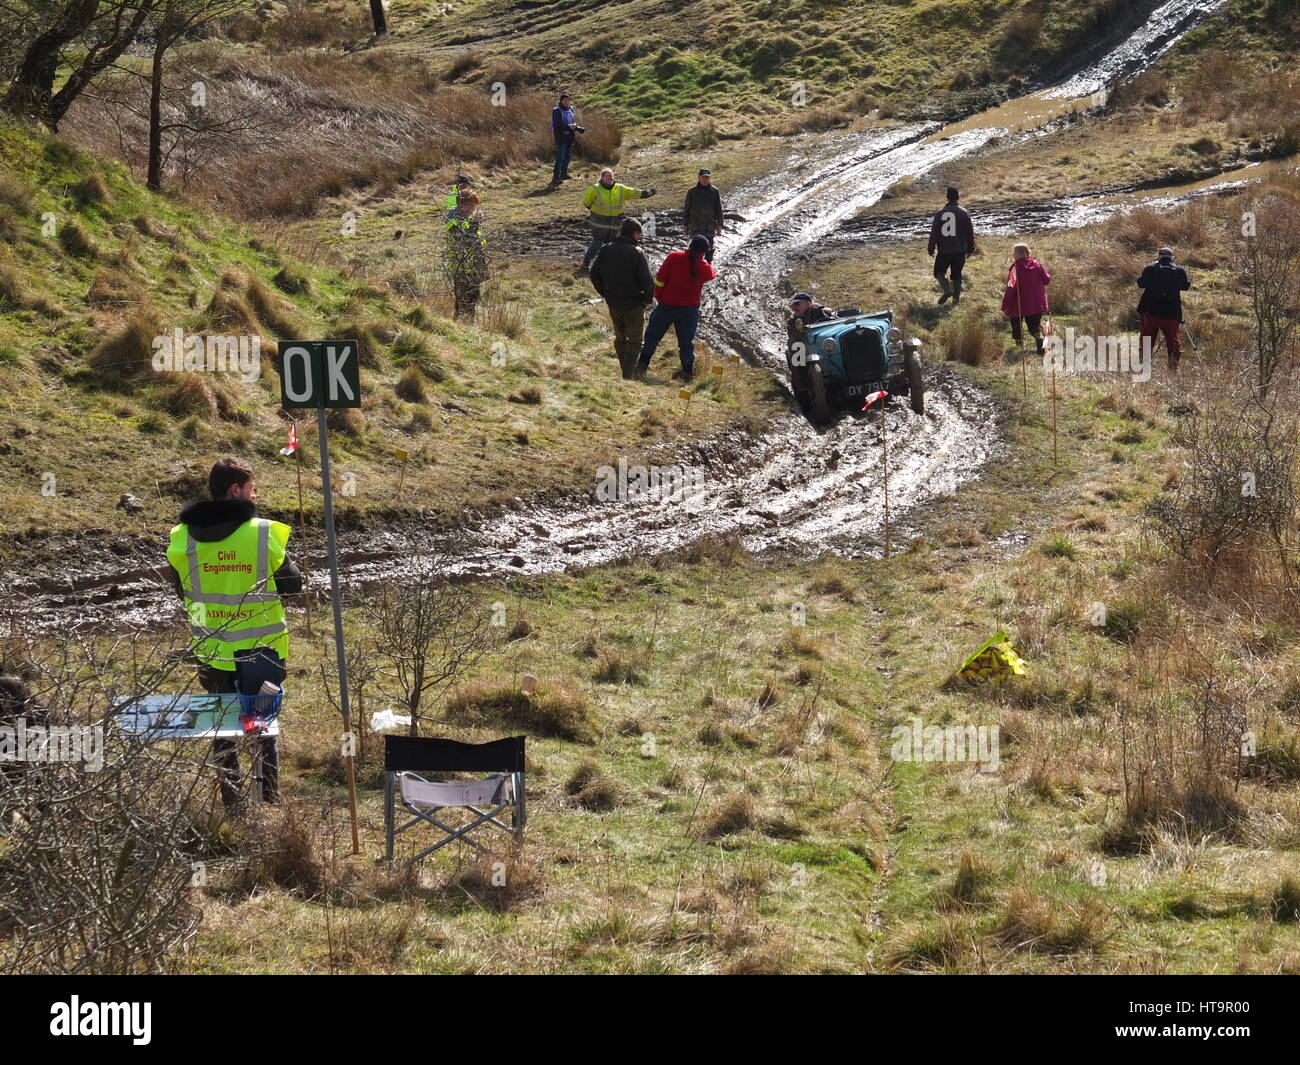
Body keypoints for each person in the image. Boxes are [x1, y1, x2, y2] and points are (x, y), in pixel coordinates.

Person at [166, 459, 301, 807]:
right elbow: (292, 584)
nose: (255, 495)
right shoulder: (261, 532)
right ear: (235, 490)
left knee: (221, 726)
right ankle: (268, 801)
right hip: (263, 648)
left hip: (211, 649)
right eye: (252, 488)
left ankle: (232, 801)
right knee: (261, 724)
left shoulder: (182, 538)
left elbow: (181, 590)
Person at [635, 234, 717, 381]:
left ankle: (641, 367)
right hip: (689, 311)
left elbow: (660, 279)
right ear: (704, 252)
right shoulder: (704, 267)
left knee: (652, 336)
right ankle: (687, 374)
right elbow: (712, 274)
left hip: (667, 305)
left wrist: (660, 297)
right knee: (686, 343)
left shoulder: (674, 257)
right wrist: (707, 260)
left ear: (690, 245)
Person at [590, 217, 655, 379]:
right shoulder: (637, 253)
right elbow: (647, 282)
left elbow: (593, 273)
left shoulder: (606, 249)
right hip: (633, 304)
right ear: (635, 233)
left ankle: (626, 371)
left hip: (613, 302)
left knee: (620, 339)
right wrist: (647, 300)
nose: (640, 238)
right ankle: (627, 376)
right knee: (635, 341)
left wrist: (604, 293)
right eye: (640, 234)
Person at [579, 168, 656, 274]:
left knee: (610, 246)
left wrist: (649, 193)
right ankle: (585, 264)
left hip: (614, 225)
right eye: (608, 176)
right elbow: (586, 202)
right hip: (599, 224)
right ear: (602, 177)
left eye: (612, 176)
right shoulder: (594, 189)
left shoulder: (620, 189)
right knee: (596, 243)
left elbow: (634, 193)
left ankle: (606, 267)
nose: (611, 178)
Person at [1137, 246, 1191, 370]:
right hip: (1171, 313)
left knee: (1146, 340)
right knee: (1172, 342)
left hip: (1150, 312)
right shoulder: (1179, 270)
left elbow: (1141, 284)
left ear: (1159, 257)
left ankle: (1144, 368)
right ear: (1172, 257)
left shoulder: (1150, 269)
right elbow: (1186, 286)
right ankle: (1172, 370)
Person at [928, 186, 977, 305]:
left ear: (947, 197)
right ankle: (956, 300)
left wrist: (931, 247)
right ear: (958, 197)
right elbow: (970, 232)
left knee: (938, 272)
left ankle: (947, 289)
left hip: (944, 250)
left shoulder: (940, 213)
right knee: (957, 274)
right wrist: (971, 249)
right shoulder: (964, 212)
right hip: (960, 250)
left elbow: (934, 232)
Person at [1001, 243, 1052, 355]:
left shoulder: (1015, 268)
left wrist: (1005, 304)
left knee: (1016, 323)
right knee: (1035, 326)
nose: (1013, 254)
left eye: (1014, 252)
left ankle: (1019, 346)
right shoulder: (1038, 265)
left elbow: (1010, 287)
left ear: (1019, 254)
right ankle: (1040, 340)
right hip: (1036, 303)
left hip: (1017, 303)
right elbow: (1047, 280)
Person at [445, 189, 488, 320]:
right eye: (469, 204)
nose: (473, 207)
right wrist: (475, 223)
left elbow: (477, 239)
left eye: (474, 204)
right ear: (460, 204)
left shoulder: (470, 216)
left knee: (473, 295)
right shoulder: (453, 219)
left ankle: (469, 321)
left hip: (474, 261)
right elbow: (463, 237)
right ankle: (461, 322)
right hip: (462, 264)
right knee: (463, 295)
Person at [684, 169, 724, 262]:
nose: (705, 179)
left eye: (707, 177)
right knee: (694, 251)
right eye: (703, 177)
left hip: (709, 227)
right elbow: (686, 209)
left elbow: (719, 209)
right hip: (695, 227)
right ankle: (694, 270)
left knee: (709, 250)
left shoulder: (715, 191)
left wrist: (719, 225)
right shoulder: (692, 192)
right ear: (699, 178)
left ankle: (708, 270)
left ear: (709, 178)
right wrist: (685, 224)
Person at [550, 93, 585, 186]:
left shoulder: (570, 109)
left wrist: (576, 127)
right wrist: (569, 126)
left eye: (568, 100)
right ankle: (555, 178)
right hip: (561, 137)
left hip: (570, 136)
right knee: (560, 158)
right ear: (561, 101)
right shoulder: (557, 110)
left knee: (567, 157)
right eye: (565, 100)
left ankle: (563, 174)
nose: (567, 102)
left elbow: (571, 121)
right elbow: (557, 125)